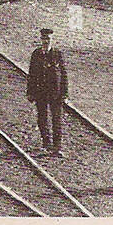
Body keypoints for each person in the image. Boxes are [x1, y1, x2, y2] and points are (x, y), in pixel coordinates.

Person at [27, 28, 68, 157]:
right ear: (41, 40)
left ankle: (57, 147)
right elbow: (31, 74)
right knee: (42, 119)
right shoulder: (36, 54)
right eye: (44, 39)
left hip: (55, 93)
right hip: (40, 92)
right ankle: (46, 144)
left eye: (48, 39)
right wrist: (30, 92)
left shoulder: (57, 54)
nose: (46, 41)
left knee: (57, 120)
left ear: (52, 40)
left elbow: (64, 75)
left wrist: (65, 94)